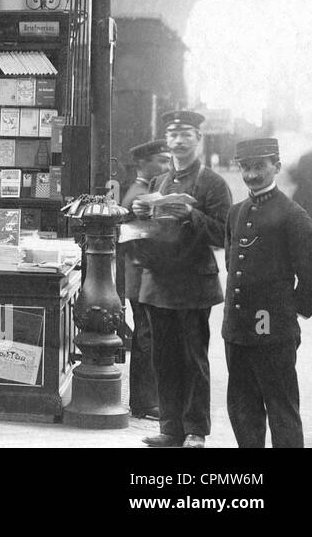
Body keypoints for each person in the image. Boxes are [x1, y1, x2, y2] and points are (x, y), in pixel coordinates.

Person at [133, 109, 231, 448]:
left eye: (186, 134)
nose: (178, 141)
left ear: (198, 140)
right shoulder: (160, 183)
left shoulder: (213, 183)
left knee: (193, 359)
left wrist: (192, 214)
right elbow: (150, 234)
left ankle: (195, 431)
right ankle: (170, 428)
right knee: (164, 359)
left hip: (193, 286)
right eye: (173, 135)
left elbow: (223, 234)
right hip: (160, 284)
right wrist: (143, 214)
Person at [223, 138, 312, 448]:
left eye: (259, 166)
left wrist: (292, 311)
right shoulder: (236, 212)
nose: (251, 174)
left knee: (281, 409)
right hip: (237, 329)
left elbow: (311, 274)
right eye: (245, 167)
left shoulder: (293, 215)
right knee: (242, 408)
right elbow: (231, 263)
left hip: (274, 332)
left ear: (276, 166)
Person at [120, 139, 170, 421]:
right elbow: (138, 241)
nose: (165, 166)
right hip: (141, 278)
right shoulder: (140, 196)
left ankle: (146, 400)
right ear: (142, 163)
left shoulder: (144, 191)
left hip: (142, 277)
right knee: (146, 337)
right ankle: (145, 402)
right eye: (160, 161)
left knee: (146, 335)